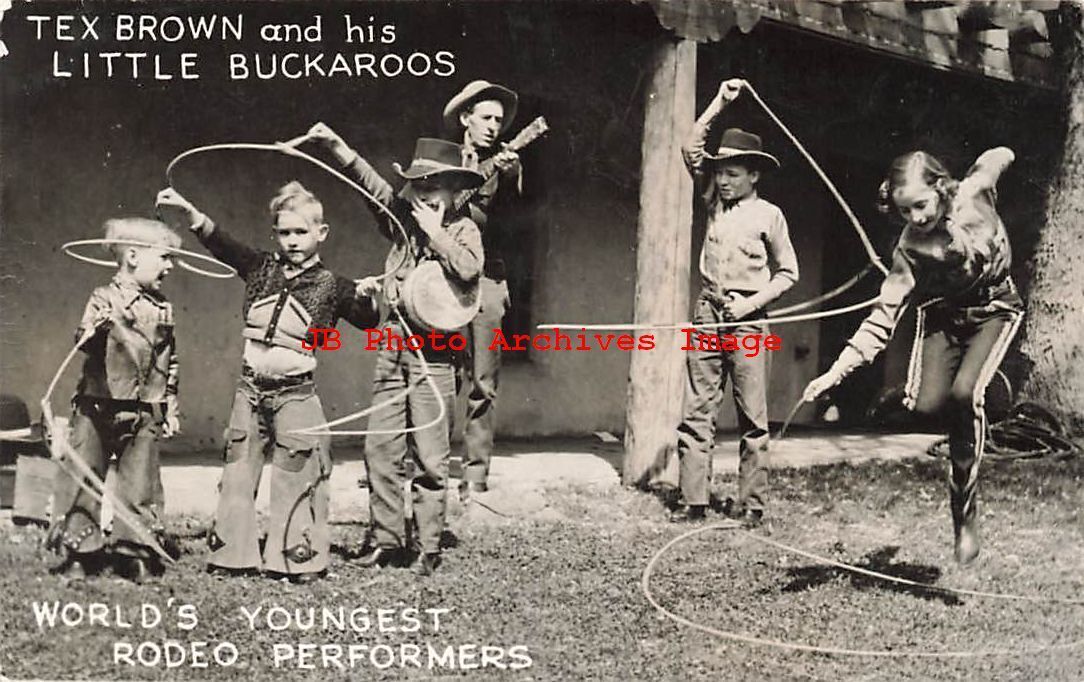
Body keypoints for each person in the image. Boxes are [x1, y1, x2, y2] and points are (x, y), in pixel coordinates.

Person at [804, 147, 1021, 565]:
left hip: (995, 310)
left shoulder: (973, 193)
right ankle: (905, 402)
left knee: (965, 396)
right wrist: (836, 372)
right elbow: (883, 314)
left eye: (921, 205)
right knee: (925, 408)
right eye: (905, 211)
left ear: (941, 189)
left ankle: (965, 514)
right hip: (945, 314)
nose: (915, 218)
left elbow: (994, 159)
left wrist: (1002, 154)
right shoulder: (909, 246)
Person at [155, 181, 379, 583]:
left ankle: (297, 559)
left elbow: (367, 320)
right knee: (238, 469)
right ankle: (231, 555)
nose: (292, 241)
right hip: (249, 391)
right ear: (275, 233)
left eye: (301, 232)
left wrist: (368, 297)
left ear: (320, 233)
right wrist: (189, 210)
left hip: (296, 396)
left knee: (297, 472)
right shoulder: (260, 267)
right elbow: (220, 242)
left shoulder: (335, 285)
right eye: (284, 232)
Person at [304, 124, 484, 576]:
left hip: (436, 354)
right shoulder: (402, 224)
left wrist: (437, 234)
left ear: (454, 188)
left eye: (434, 185)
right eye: (419, 184)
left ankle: (427, 547)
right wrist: (339, 147)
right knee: (380, 448)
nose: (425, 193)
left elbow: (468, 271)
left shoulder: (465, 229)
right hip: (392, 346)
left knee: (429, 454)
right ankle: (386, 540)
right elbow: (372, 188)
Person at [670, 78, 799, 524]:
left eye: (733, 173)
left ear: (754, 175)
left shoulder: (770, 216)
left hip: (748, 320)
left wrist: (749, 306)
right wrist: (719, 102)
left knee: (753, 418)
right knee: (696, 412)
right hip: (707, 315)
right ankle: (693, 501)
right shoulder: (713, 200)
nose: (723, 180)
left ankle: (752, 507)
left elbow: (789, 274)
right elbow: (691, 148)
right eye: (720, 172)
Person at [46, 217, 182, 581]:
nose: (171, 266)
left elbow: (171, 359)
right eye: (166, 257)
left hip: (145, 408)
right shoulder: (102, 298)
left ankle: (133, 551)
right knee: (84, 475)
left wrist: (169, 403)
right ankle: (80, 551)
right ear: (133, 256)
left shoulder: (163, 307)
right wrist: (95, 329)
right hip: (97, 404)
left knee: (140, 483)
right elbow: (83, 342)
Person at [442, 80, 522, 501]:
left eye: (499, 120)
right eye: (485, 117)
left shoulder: (508, 167)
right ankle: (430, 467)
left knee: (483, 382)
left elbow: (516, 226)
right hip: (443, 283)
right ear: (465, 119)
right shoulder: (443, 160)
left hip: (488, 278)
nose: (493, 126)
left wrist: (509, 181)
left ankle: (475, 476)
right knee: (440, 376)